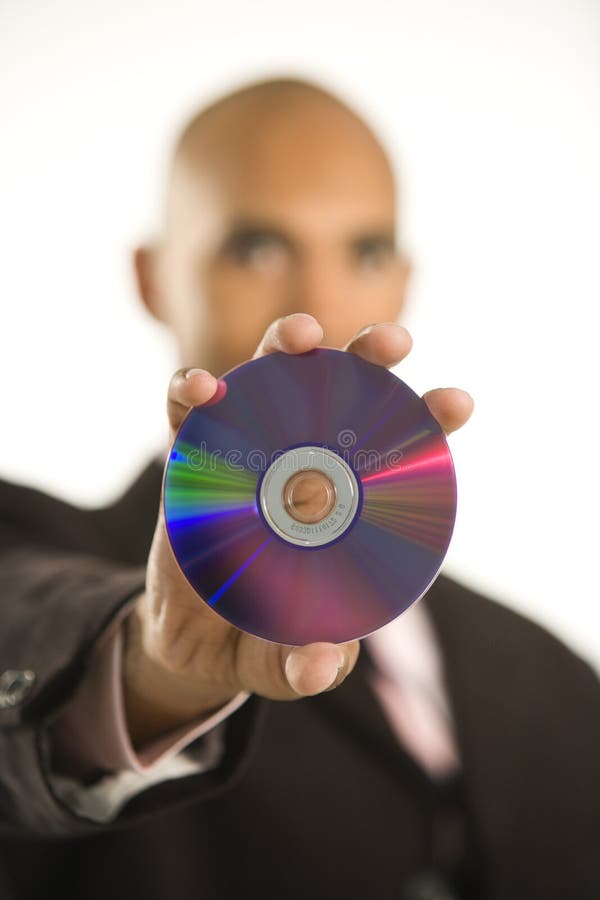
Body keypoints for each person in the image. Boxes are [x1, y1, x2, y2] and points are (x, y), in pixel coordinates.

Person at [0, 76, 598, 900]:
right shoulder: (29, 544)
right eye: (256, 247)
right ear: (153, 278)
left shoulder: (551, 672)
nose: (318, 305)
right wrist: (149, 675)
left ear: (403, 283)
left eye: (365, 251)